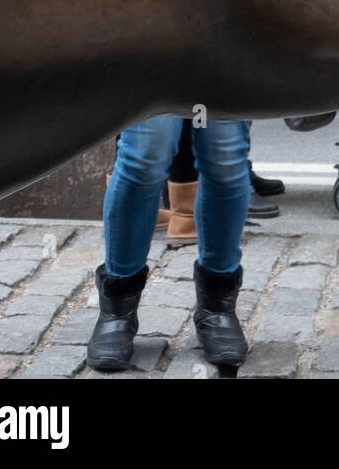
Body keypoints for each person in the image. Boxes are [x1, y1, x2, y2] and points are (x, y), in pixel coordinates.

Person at [87, 115, 252, 373]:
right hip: (151, 73)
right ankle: (118, 311)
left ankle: (217, 308)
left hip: (223, 72)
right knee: (145, 155)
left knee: (225, 157)